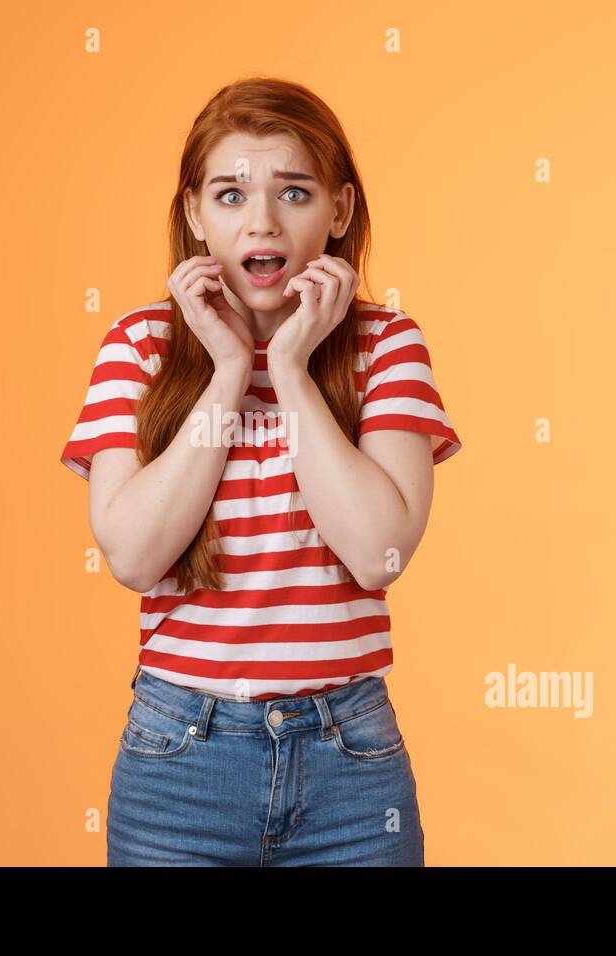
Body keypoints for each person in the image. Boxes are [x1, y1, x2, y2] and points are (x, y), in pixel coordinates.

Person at [60, 76, 462, 866]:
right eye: (231, 194)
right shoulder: (139, 346)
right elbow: (134, 557)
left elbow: (378, 553)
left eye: (295, 192)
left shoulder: (388, 346)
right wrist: (224, 371)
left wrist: (290, 369)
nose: (263, 220)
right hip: (178, 762)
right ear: (195, 214)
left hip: (351, 767)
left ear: (339, 210)